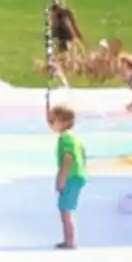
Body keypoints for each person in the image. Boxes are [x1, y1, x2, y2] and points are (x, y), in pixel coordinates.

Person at [47, 103, 87, 250]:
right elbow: (82, 154)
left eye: (52, 121)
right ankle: (69, 239)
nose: (50, 124)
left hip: (72, 176)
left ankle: (70, 241)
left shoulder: (65, 139)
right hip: (77, 175)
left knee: (65, 209)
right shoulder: (73, 138)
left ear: (64, 122)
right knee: (66, 208)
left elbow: (68, 160)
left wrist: (61, 180)